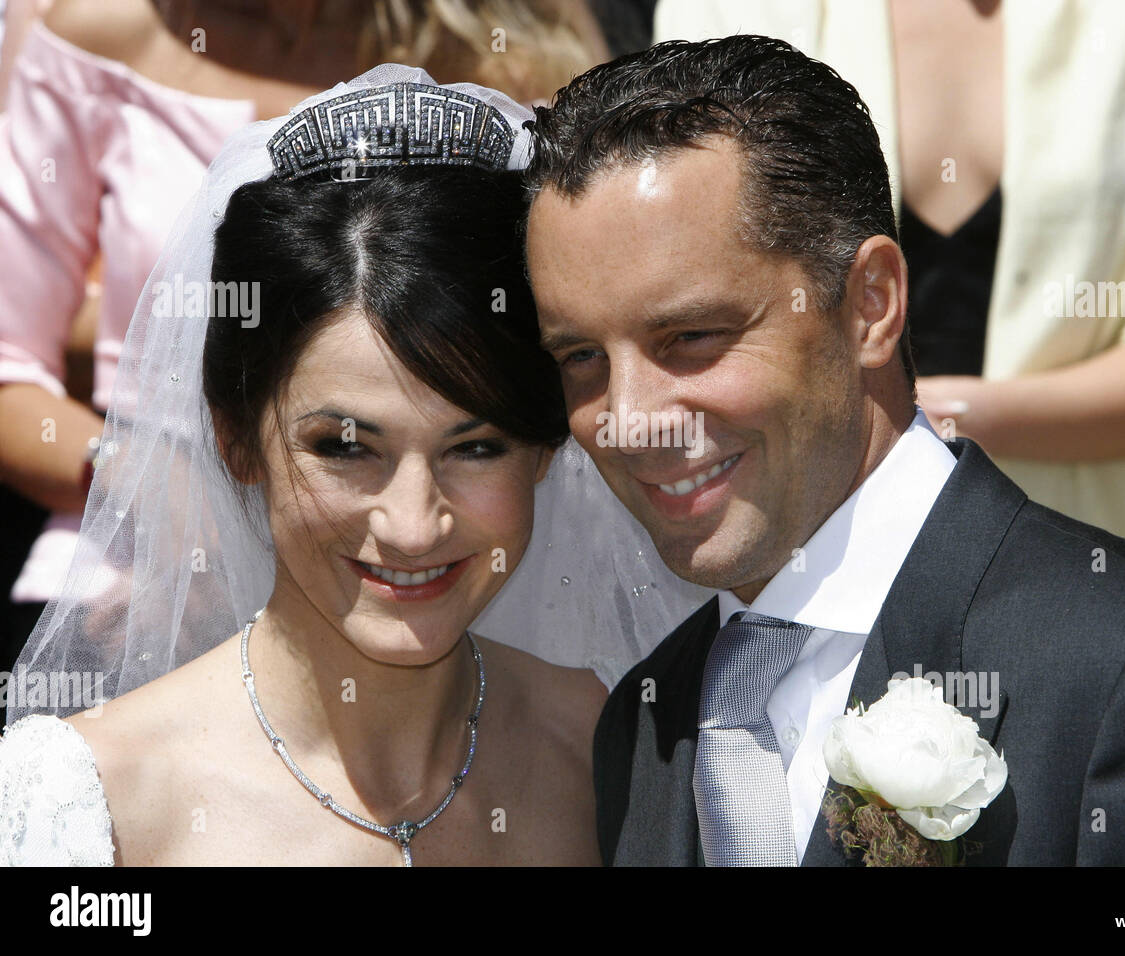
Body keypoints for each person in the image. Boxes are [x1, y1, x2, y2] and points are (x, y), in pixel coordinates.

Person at [521, 35, 1125, 865]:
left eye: (691, 337)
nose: (631, 420)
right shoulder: (643, 723)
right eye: (581, 359)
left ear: (871, 304)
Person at [0, 68, 706, 866]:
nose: (413, 525)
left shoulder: (618, 748)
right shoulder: (88, 801)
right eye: (345, 448)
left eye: (476, 448)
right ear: (236, 438)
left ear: (547, 449)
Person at [650, 0, 1125, 600]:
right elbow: (677, 303)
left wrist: (947, 422)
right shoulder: (724, 7)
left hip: (1096, 581)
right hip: (792, 579)